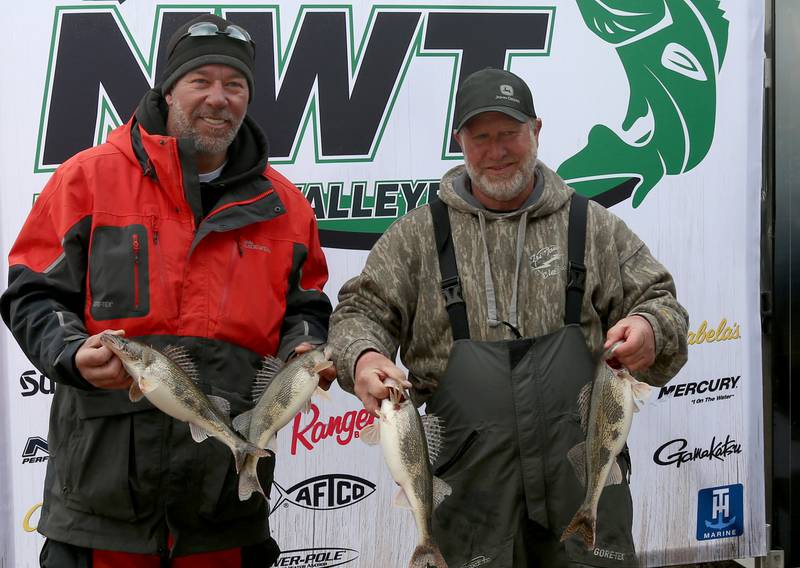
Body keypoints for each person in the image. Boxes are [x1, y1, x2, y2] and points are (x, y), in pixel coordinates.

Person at [1, 14, 334, 568]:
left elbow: (307, 309)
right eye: (200, 80)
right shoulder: (87, 178)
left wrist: (304, 348)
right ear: (169, 88)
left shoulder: (288, 208)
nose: (218, 99)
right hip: (100, 511)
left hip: (224, 511)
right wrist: (70, 352)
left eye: (235, 85)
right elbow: (32, 293)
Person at [328, 68, 689, 567]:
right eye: (481, 137)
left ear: (536, 131)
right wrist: (363, 356)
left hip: (578, 473)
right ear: (460, 142)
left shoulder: (593, 227)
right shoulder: (415, 238)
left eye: (509, 134)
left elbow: (661, 301)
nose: (496, 151)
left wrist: (651, 327)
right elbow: (359, 313)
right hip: (471, 486)